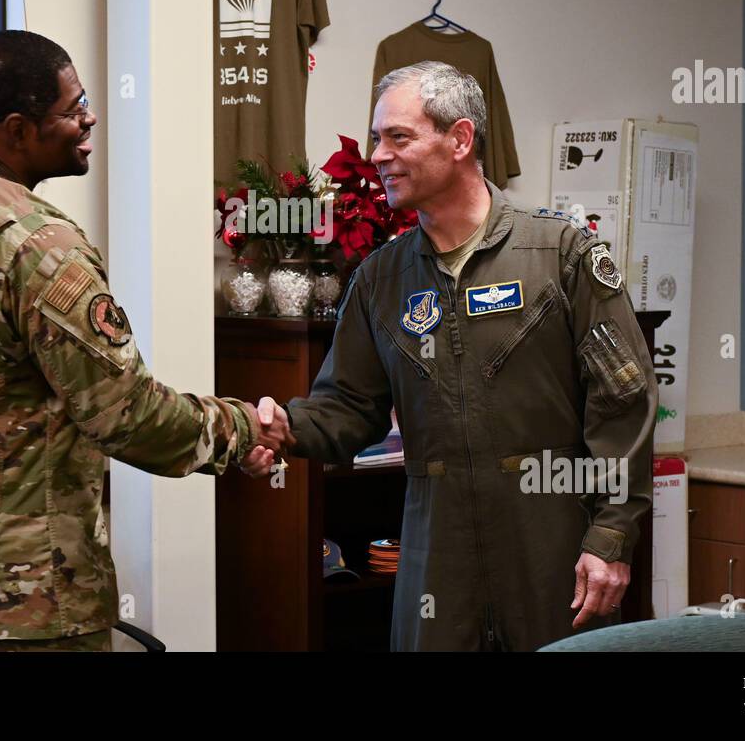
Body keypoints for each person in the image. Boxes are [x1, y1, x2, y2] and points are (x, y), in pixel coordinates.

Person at [0, 29, 283, 651]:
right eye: (71, 110)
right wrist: (247, 428)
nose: (89, 117)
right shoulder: (34, 243)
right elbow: (126, 413)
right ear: (17, 129)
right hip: (26, 597)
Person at [241, 61, 657, 651]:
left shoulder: (560, 254)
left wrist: (611, 537)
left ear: (460, 139)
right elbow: (349, 407)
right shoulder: (380, 279)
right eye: (377, 139)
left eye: (398, 137)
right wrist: (286, 428)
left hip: (552, 550)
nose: (379, 155)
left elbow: (624, 402)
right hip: (436, 556)